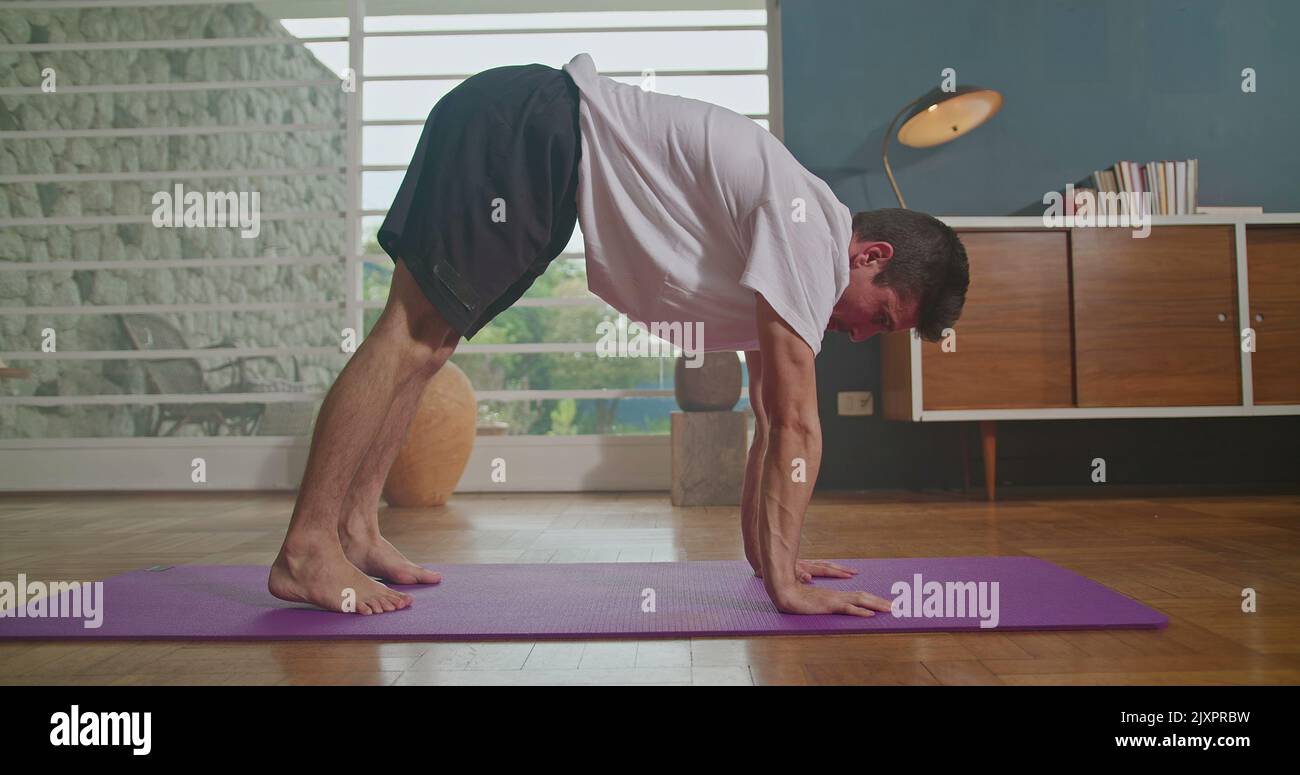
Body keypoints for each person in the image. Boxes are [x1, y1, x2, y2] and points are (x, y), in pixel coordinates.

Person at [268, 53, 969, 616]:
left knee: (429, 345)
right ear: (870, 256)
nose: (858, 333)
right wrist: (788, 589)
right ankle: (306, 547)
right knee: (411, 334)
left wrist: (772, 561)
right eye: (879, 315)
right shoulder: (812, 236)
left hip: (534, 139)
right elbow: (798, 426)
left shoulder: (799, 241)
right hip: (532, 129)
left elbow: (766, 417)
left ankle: (355, 529)